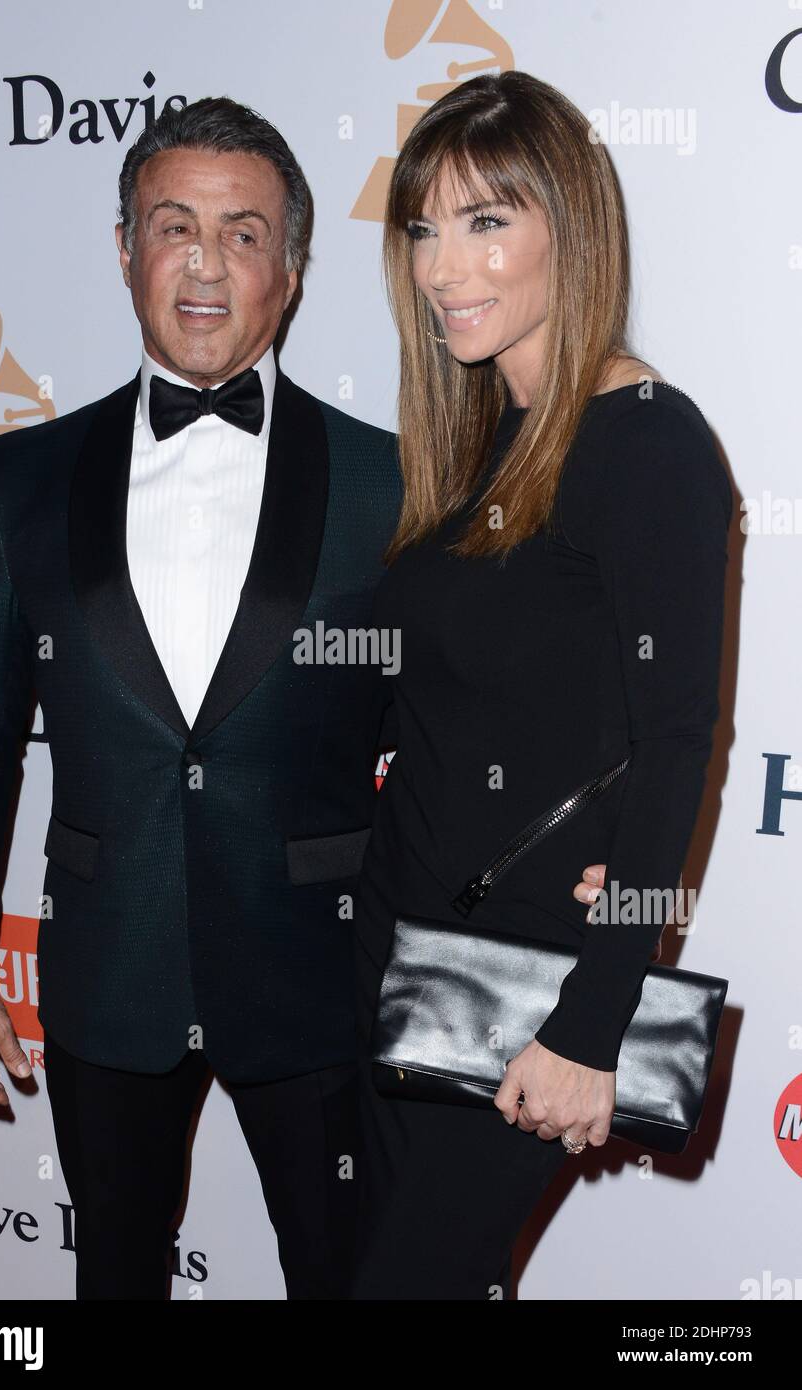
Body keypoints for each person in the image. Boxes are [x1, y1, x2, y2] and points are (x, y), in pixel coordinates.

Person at [0, 92, 611, 1301]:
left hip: (324, 981)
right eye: (171, 224)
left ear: (289, 272)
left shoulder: (398, 480)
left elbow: (466, 729)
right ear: (125, 249)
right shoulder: (21, 476)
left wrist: (571, 858)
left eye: (243, 233)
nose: (202, 260)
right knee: (113, 1279)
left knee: (345, 1279)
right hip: (106, 978)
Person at [349, 70, 732, 1301]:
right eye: (423, 226)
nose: (440, 265)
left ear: (568, 225)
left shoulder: (650, 442)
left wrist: (593, 1018)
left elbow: (679, 744)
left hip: (532, 986)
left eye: (484, 221)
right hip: (403, 960)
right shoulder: (471, 444)